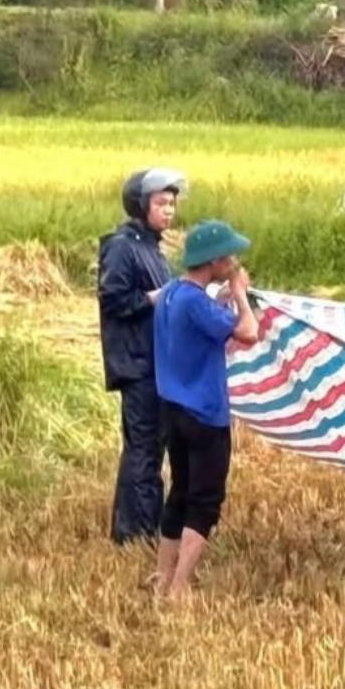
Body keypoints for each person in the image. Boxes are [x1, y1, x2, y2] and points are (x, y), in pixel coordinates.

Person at [153, 221, 259, 598]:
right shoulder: (196, 303)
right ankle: (180, 586)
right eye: (228, 256)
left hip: (172, 409)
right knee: (205, 499)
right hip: (204, 413)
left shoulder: (171, 294)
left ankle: (163, 577)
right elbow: (248, 333)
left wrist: (221, 300)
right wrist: (241, 295)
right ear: (212, 260)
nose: (233, 260)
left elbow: (199, 321)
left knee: (179, 491)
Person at [98, 167, 187, 544]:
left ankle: (140, 528)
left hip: (155, 361)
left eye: (172, 203)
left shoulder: (151, 247)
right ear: (140, 204)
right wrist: (151, 299)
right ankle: (135, 534)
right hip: (138, 364)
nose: (169, 210)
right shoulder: (123, 246)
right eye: (161, 203)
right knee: (144, 449)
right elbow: (113, 298)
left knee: (150, 447)